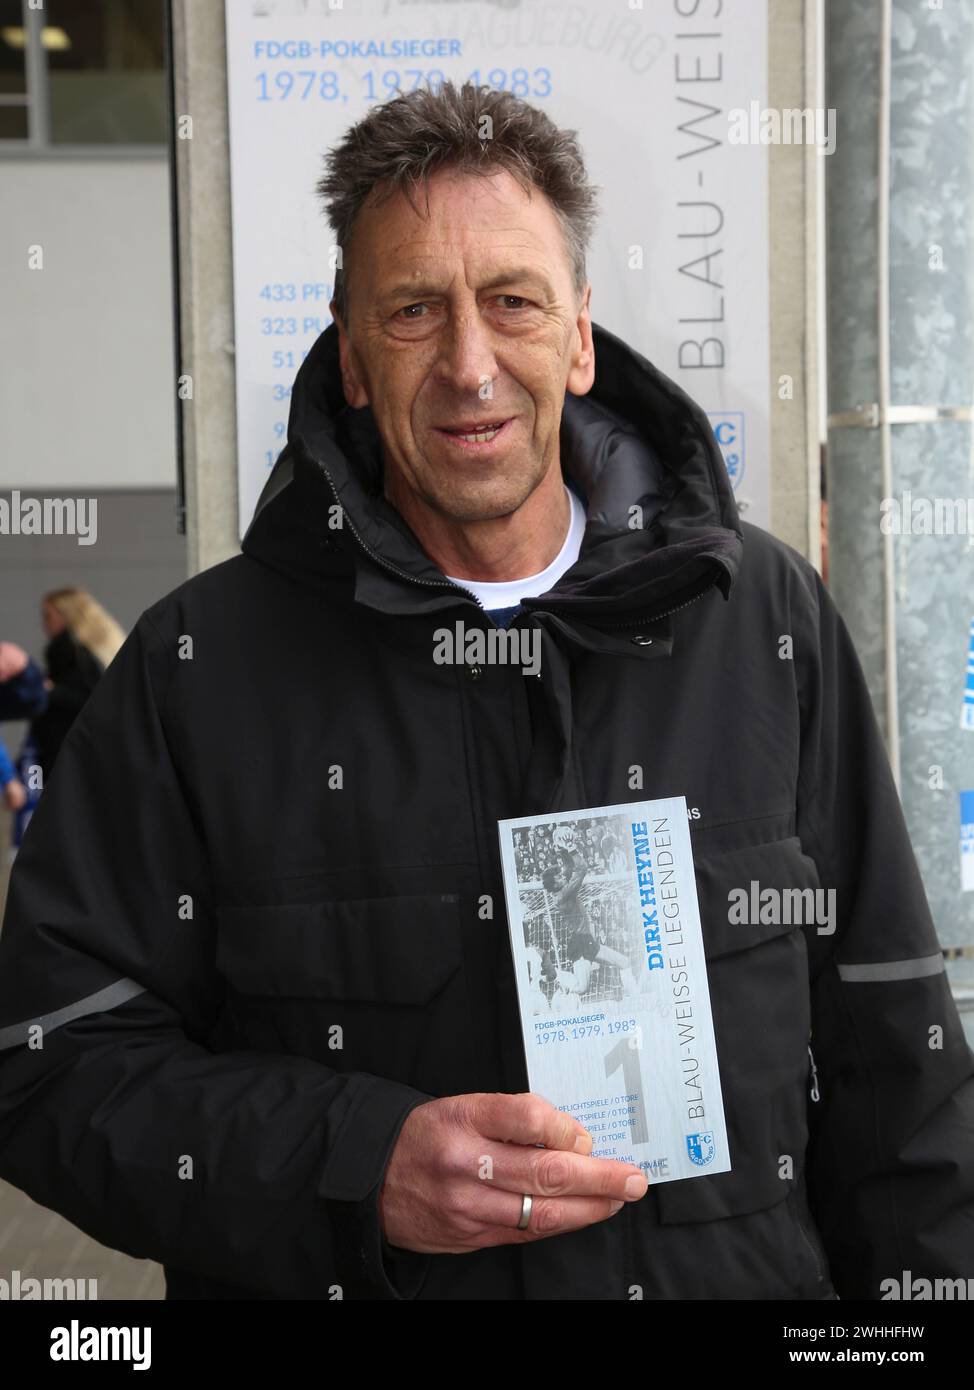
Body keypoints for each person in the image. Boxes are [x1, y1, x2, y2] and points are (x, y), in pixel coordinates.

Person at [0, 81, 971, 1302]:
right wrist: (356, 1162)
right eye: (413, 311)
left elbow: (898, 1054)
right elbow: (48, 1062)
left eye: (510, 302)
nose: (469, 366)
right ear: (351, 361)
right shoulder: (200, 672)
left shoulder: (759, 621)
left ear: (575, 336)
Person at [29, 589, 125, 781]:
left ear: (66, 616)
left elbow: (89, 699)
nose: (43, 624)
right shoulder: (97, 652)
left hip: (70, 755)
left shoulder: (73, 654)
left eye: (48, 616)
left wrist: (52, 691)